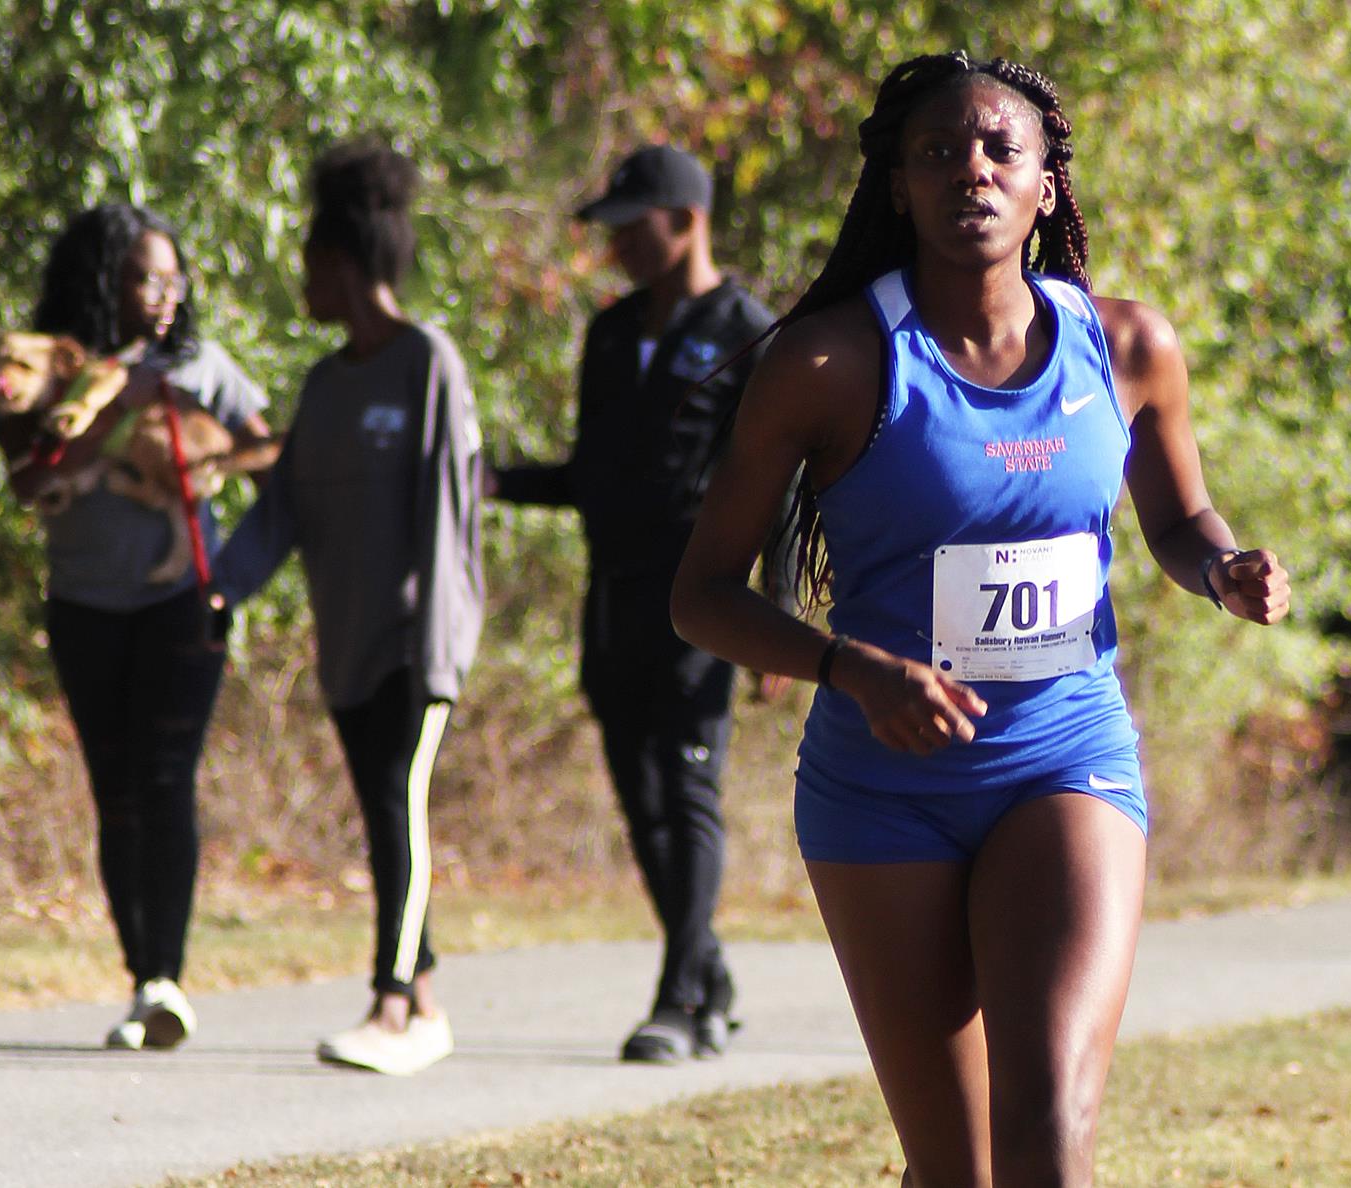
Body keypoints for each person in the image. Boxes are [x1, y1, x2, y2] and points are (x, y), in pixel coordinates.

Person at [669, 53, 1291, 1187]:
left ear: (1046, 183)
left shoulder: (1128, 346)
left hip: (1063, 757)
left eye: (1001, 148)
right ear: (896, 187)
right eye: (938, 151)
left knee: (1047, 1132)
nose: (972, 168)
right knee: (956, 1170)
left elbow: (1180, 514)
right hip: (882, 790)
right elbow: (701, 595)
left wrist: (1222, 569)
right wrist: (853, 671)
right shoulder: (830, 362)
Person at [490, 144, 780, 1064]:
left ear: (686, 221)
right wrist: (491, 480)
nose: (612, 246)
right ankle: (709, 973)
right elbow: (593, 475)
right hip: (612, 600)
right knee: (641, 797)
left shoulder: (750, 335)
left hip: (706, 606)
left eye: (628, 228)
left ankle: (678, 1003)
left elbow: (778, 488)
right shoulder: (610, 335)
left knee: (688, 787)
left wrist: (776, 623)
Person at [212, 141, 484, 1075]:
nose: (302, 283)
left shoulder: (427, 364)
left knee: (399, 808)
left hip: (417, 646)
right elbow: (280, 507)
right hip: (349, 643)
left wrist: (438, 649)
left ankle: (394, 1007)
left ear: (347, 265)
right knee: (385, 821)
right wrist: (219, 583)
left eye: (310, 265)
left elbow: (449, 519)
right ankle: (429, 999)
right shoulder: (327, 386)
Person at [9, 203, 273, 1051]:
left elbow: (273, 462)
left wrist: (237, 579)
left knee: (166, 780)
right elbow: (27, 477)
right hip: (84, 605)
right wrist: (124, 396)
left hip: (183, 603)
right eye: (143, 278)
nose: (164, 295)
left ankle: (167, 978)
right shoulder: (44, 368)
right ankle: (140, 979)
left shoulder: (208, 367)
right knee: (114, 791)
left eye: (173, 278)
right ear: (101, 281)